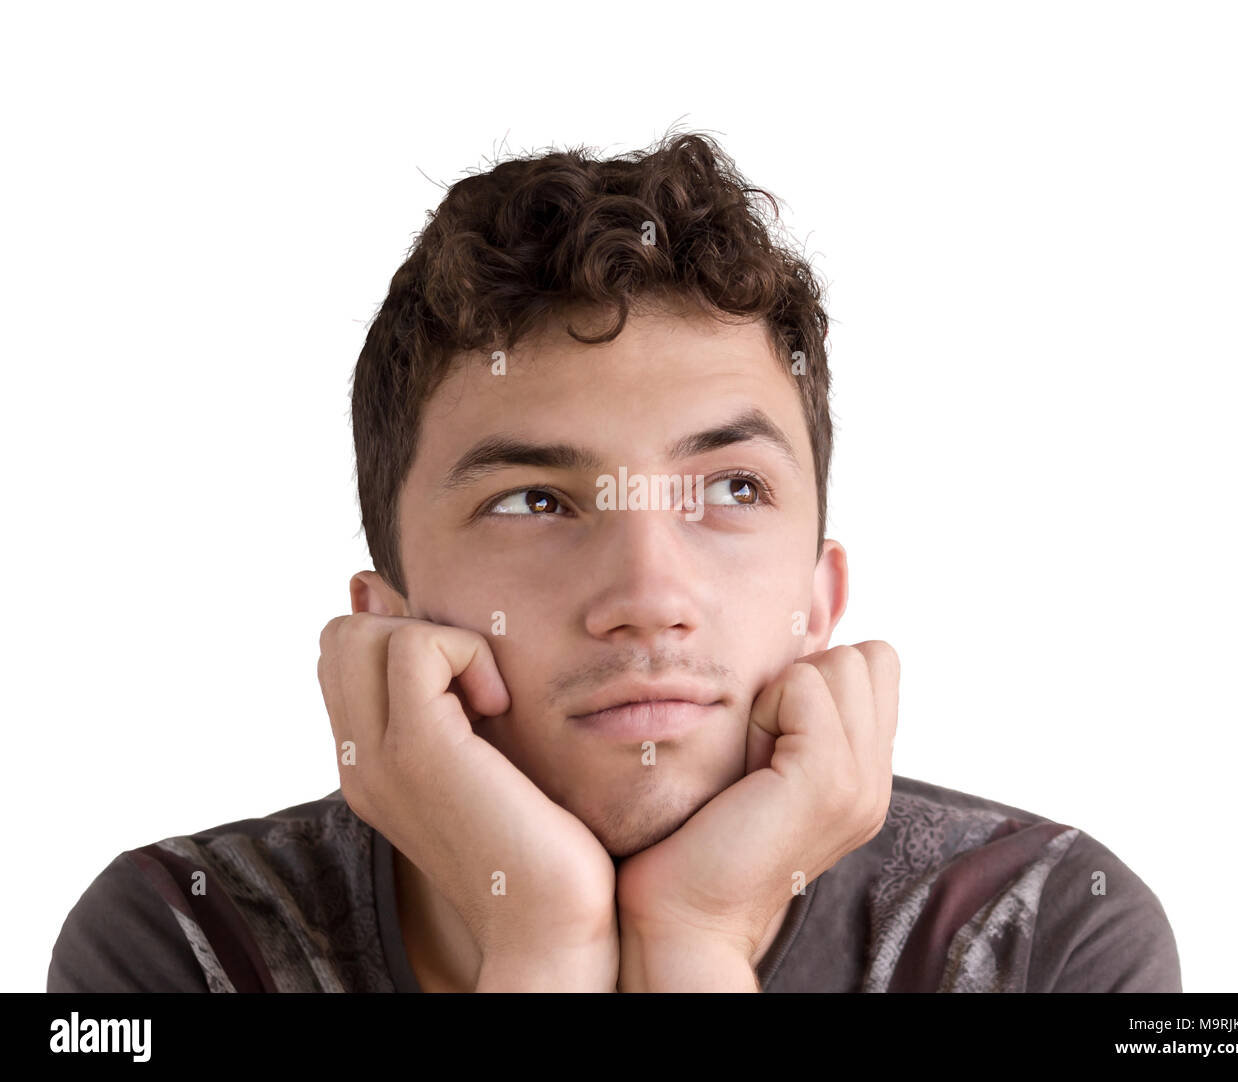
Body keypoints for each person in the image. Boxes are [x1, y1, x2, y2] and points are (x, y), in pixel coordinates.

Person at [47, 131, 1180, 993]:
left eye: (730, 490)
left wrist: (690, 937)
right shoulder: (184, 942)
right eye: (536, 499)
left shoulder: (1043, 933)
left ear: (816, 603)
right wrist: (548, 937)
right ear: (386, 625)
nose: (648, 598)